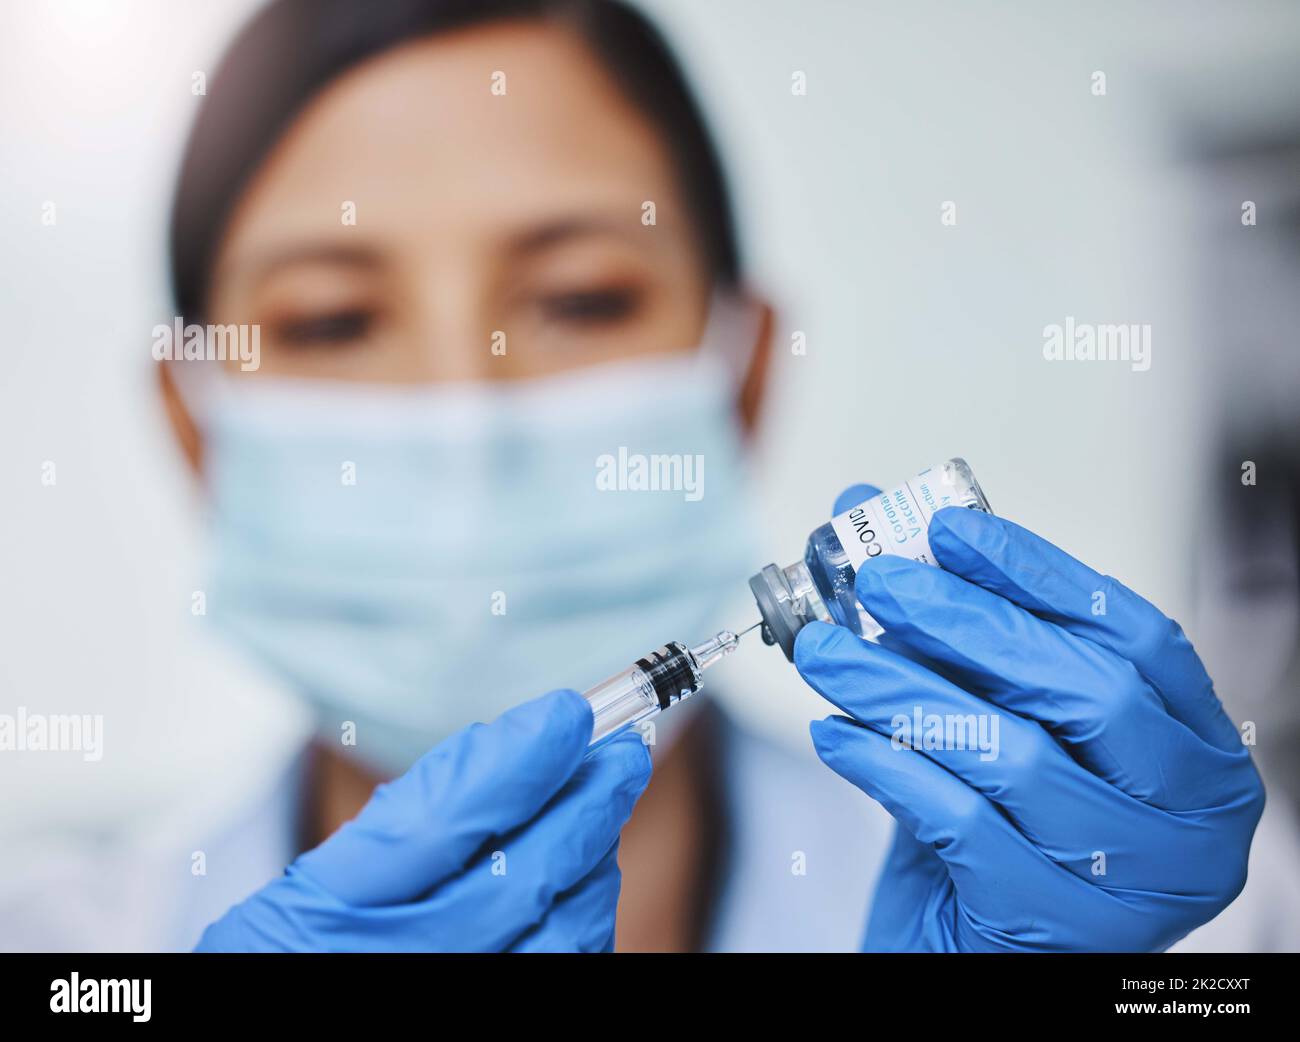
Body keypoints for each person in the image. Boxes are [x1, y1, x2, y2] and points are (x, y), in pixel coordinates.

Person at [161, 0, 1270, 952]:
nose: (467, 415)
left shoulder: (1164, 913)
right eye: (333, 319)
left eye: (580, 299)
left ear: (739, 377)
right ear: (191, 422)